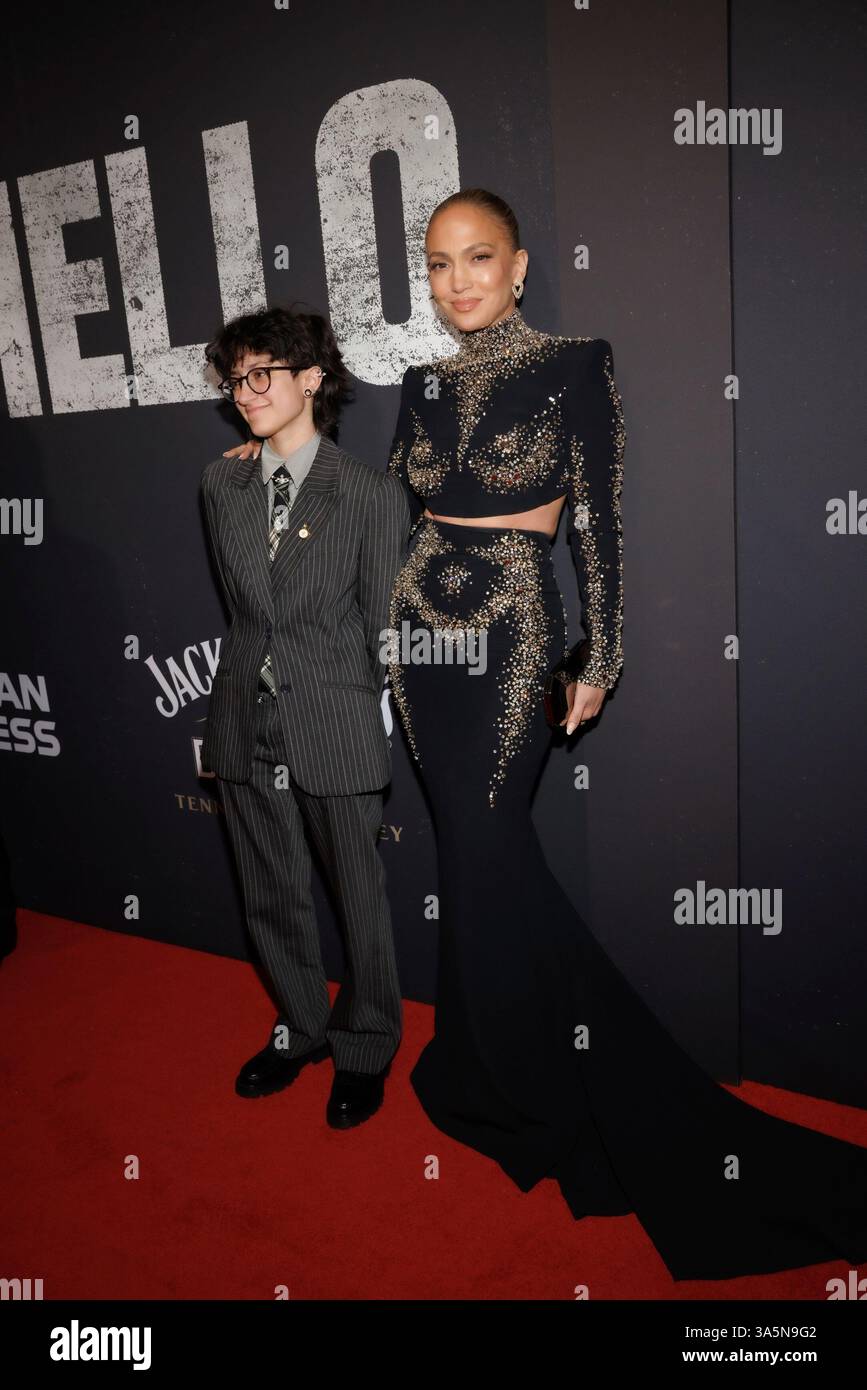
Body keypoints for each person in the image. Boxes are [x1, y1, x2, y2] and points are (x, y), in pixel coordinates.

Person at [381, 187, 867, 1282]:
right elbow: (398, 509)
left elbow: (597, 510)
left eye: (478, 257)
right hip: (419, 632)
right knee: (474, 863)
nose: (459, 280)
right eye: (440, 263)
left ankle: (549, 1082)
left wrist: (600, 651)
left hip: (510, 628)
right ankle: (483, 1066)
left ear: (516, 266)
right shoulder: (417, 382)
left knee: (492, 851)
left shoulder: (573, 362)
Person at [200, 304, 410, 1129]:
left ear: (312, 380)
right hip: (243, 716)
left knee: (358, 898)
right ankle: (297, 1028)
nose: (244, 392)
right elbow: (247, 607)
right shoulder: (221, 481)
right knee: (270, 893)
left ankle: (364, 1047)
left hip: (334, 719)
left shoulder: (369, 493)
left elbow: (383, 625)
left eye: (261, 375)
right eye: (235, 378)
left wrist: (374, 717)